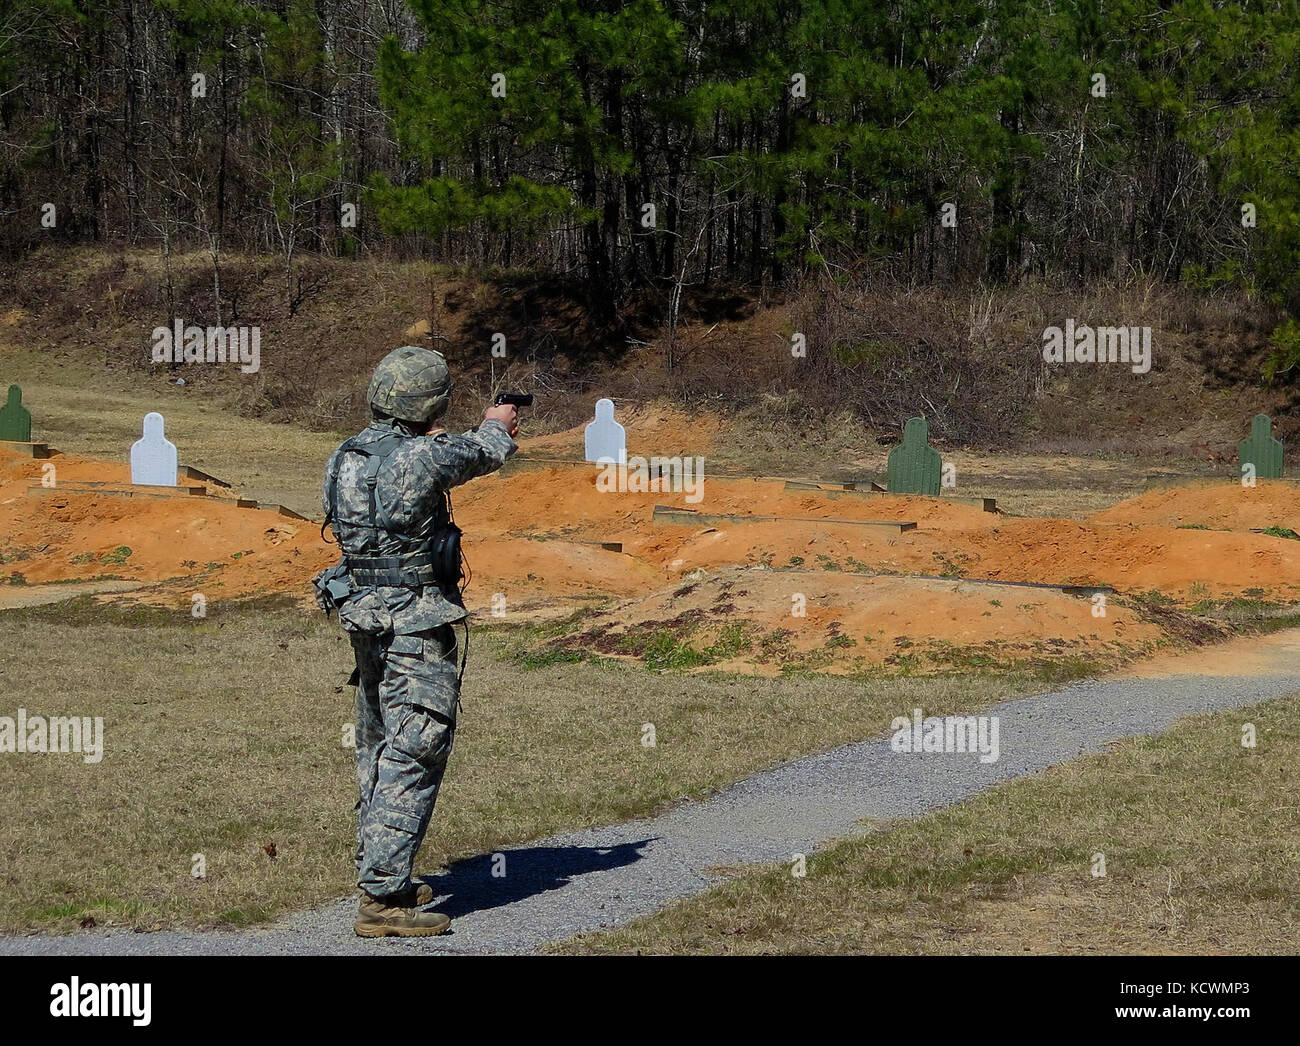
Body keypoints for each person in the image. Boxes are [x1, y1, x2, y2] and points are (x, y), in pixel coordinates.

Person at [313, 345, 518, 937]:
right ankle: (382, 898)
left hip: (365, 616)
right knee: (417, 747)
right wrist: (497, 423)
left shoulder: (346, 456)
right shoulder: (423, 456)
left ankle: (385, 872)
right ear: (428, 404)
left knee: (378, 743)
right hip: (413, 623)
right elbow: (483, 451)